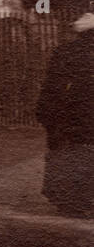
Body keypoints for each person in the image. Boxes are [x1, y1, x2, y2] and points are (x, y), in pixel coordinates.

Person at [35, 12, 94, 218]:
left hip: (68, 113)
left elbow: (52, 86)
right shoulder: (73, 53)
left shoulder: (65, 51)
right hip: (84, 113)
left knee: (66, 154)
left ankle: (67, 200)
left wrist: (46, 113)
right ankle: (83, 200)